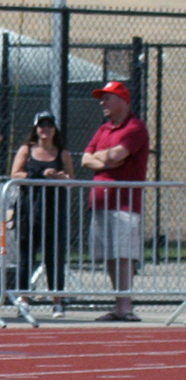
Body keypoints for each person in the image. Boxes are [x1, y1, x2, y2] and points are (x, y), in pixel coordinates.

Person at [79, 80, 150, 321]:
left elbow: (118, 155)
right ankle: (118, 304)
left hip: (125, 203)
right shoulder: (103, 129)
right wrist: (105, 159)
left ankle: (125, 306)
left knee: (122, 254)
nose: (102, 102)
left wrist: (106, 158)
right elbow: (86, 159)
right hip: (100, 201)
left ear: (122, 100)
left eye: (107, 97)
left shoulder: (135, 127)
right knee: (108, 255)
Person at [10, 111, 74, 314]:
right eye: (41, 125)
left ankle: (57, 302)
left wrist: (62, 177)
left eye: (49, 125)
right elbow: (15, 173)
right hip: (30, 209)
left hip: (54, 211)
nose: (45, 129)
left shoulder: (62, 152)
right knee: (26, 256)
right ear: (35, 129)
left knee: (54, 257)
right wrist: (39, 174)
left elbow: (72, 178)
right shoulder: (26, 150)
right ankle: (24, 300)